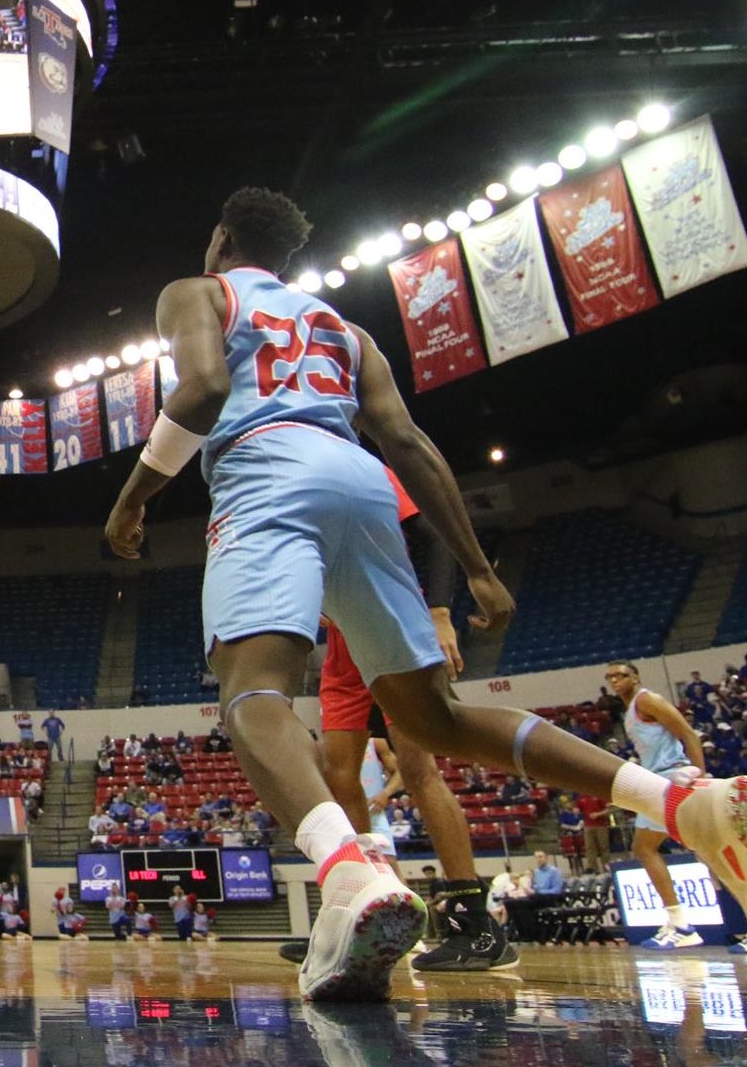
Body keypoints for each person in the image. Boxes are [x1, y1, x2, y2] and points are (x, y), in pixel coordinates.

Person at [102, 186, 747, 1002]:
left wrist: (131, 499)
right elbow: (404, 439)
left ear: (220, 238)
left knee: (252, 693)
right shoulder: (345, 328)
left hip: (266, 471)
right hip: (361, 485)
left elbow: (198, 391)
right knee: (430, 719)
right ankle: (678, 798)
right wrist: (475, 565)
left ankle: (347, 872)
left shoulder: (196, 291)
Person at [607, 661, 708, 950]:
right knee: (709, 851)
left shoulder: (648, 699)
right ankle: (679, 922)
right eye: (610, 676)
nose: (615, 680)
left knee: (644, 848)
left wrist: (700, 775)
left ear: (635, 677)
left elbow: (688, 734)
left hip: (673, 780)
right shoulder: (629, 710)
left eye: (621, 675)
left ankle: (681, 923)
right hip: (658, 782)